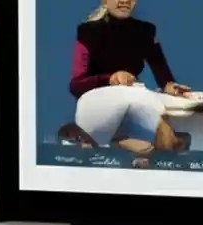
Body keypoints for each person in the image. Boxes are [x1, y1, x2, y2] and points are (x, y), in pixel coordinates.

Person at [68, 0, 191, 154]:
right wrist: (110, 78)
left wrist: (170, 86)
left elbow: (163, 74)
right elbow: (76, 85)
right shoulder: (88, 32)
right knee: (141, 99)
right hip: (95, 103)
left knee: (154, 100)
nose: (124, 1)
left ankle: (125, 142)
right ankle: (110, 139)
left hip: (131, 101)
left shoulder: (145, 31)